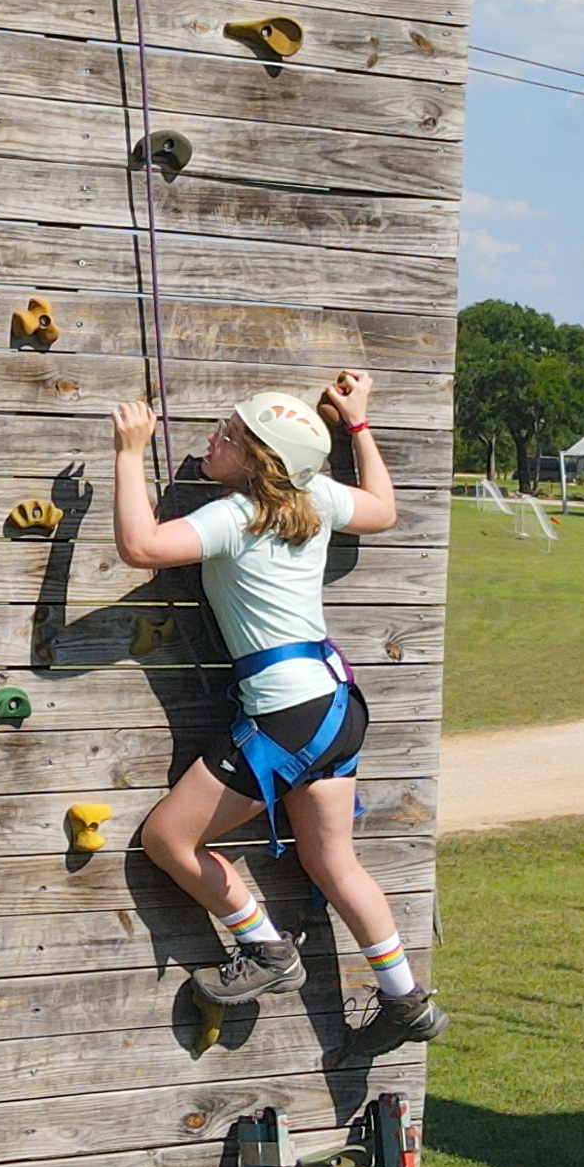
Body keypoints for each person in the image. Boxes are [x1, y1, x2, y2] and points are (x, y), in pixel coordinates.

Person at [109, 372, 444, 1051]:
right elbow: (382, 509)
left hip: (286, 714)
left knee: (168, 839)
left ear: (259, 461)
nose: (215, 437)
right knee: (333, 863)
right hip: (336, 704)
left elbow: (141, 547)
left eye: (231, 434)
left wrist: (129, 451)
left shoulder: (235, 516)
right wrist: (358, 423)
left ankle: (265, 949)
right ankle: (407, 1000)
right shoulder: (314, 497)